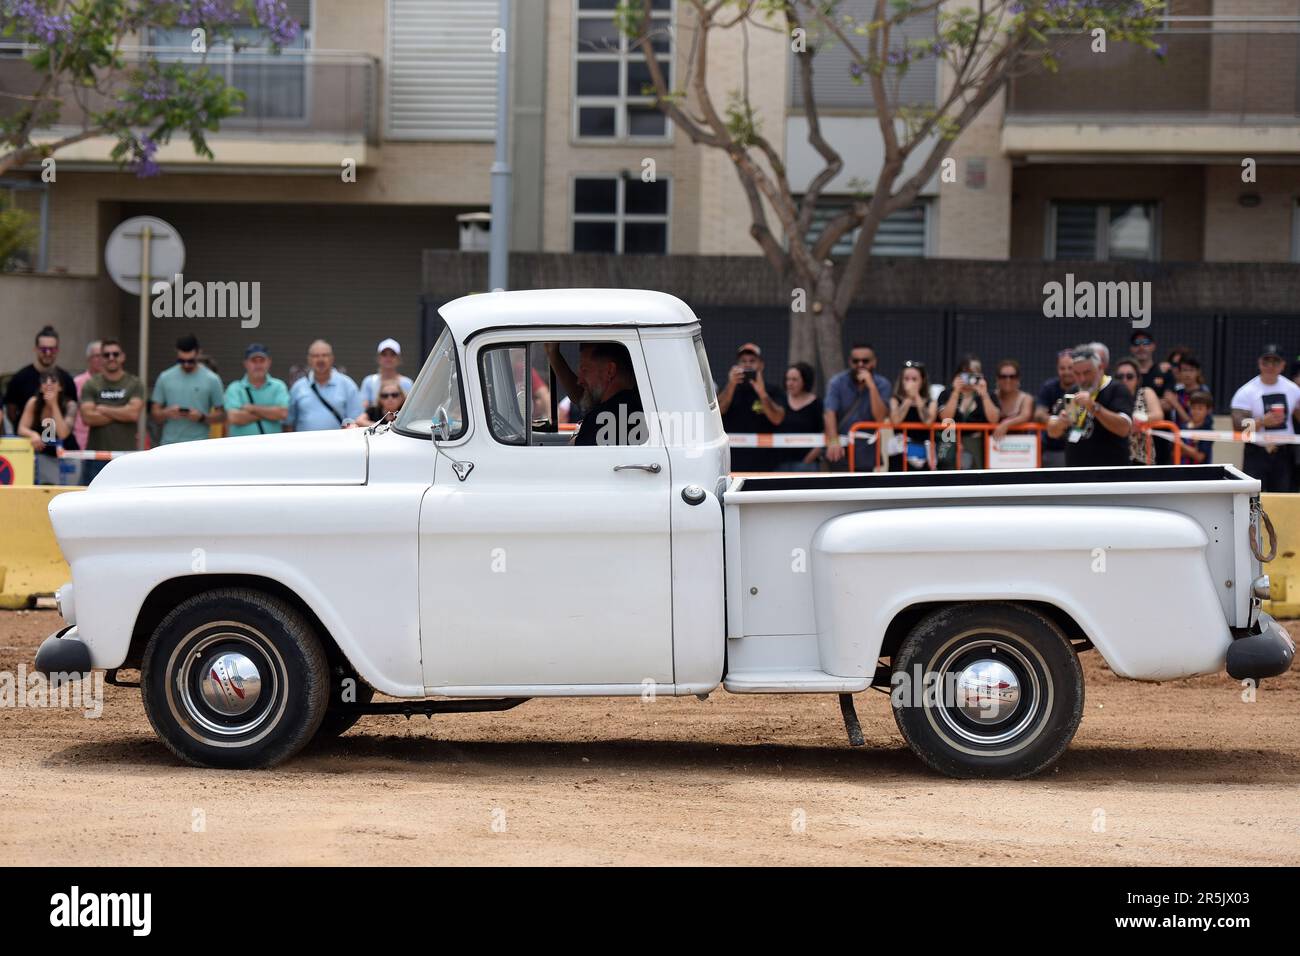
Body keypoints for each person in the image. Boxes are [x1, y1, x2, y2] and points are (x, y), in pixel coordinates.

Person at [1045, 346, 1134, 468]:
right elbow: (1051, 430)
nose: (1082, 379)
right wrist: (1061, 422)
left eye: (1087, 373)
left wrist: (1094, 407)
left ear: (1100, 368)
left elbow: (1124, 428)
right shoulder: (1073, 391)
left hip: (1111, 471)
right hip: (1076, 471)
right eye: (1076, 373)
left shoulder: (1117, 389)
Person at [544, 341, 643, 446]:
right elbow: (582, 398)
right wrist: (553, 353)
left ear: (610, 371)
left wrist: (576, 437)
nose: (579, 380)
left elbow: (573, 459)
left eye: (585, 370)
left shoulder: (602, 419)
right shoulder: (640, 406)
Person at [1230, 343, 1300, 492]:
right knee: (1253, 497)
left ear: (1283, 365)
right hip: (1256, 451)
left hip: (1284, 453)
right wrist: (1261, 422)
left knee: (1284, 498)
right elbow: (1237, 425)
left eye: (1275, 362)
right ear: (1259, 363)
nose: (1270, 366)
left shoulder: (1293, 389)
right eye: (1266, 362)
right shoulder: (1246, 391)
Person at [79, 339, 145, 483]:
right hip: (96, 456)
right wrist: (122, 411)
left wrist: (103, 408)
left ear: (122, 357)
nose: (111, 358)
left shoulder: (134, 383)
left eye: (115, 354)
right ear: (101, 358)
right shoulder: (91, 384)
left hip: (125, 457)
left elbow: (133, 414)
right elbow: (88, 418)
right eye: (106, 354)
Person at [823, 343, 891, 471]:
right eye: (856, 361)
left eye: (865, 361)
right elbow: (829, 412)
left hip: (867, 452)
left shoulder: (882, 384)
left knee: (864, 488)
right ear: (850, 362)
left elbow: (880, 418)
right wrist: (833, 441)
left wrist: (871, 387)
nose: (860, 365)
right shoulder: (837, 382)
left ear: (874, 362)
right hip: (841, 449)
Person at [718, 342, 785, 471]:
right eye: (743, 361)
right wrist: (731, 384)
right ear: (737, 366)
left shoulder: (772, 391)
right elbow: (718, 412)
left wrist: (761, 392)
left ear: (761, 365)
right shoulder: (728, 389)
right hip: (733, 461)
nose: (747, 364)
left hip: (765, 462)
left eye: (752, 361)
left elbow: (777, 418)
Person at [151, 334, 225, 444]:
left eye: (191, 361)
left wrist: (202, 417)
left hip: (199, 444)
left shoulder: (212, 379)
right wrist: (166, 413)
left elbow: (222, 415)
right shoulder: (165, 377)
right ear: (176, 353)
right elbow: (154, 413)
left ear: (199, 353)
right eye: (181, 361)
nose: (186, 365)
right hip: (169, 444)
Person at [3, 326, 78, 434]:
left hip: (61, 444)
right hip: (32, 443)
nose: (48, 353)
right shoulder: (21, 379)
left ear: (60, 386)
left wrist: (53, 405)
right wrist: (30, 432)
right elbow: (12, 413)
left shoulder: (67, 379)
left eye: (52, 349)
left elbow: (64, 431)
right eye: (43, 349)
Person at [937, 354, 999, 469]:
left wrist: (984, 395)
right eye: (966, 373)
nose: (970, 378)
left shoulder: (988, 395)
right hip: (951, 444)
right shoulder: (947, 393)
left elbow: (994, 419)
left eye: (974, 373)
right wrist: (956, 392)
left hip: (977, 446)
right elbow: (946, 417)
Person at [17, 372, 79, 485]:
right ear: (41, 388)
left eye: (54, 381)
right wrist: (33, 434)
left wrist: (53, 404)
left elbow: (63, 433)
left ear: (60, 387)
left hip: (67, 456)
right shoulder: (34, 403)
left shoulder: (70, 405)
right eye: (45, 381)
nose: (49, 384)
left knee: (67, 493)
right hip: (44, 457)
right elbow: (21, 428)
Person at [287, 339, 362, 431]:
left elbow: (356, 421)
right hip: (305, 444)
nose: (320, 359)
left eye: (325, 355)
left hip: (339, 443)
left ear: (332, 358)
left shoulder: (347, 385)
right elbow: (289, 423)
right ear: (309, 360)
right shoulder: (298, 387)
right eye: (315, 356)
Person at [224, 343, 290, 437]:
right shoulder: (234, 388)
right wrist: (270, 414)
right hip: (241, 448)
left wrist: (252, 408)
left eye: (262, 361)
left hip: (272, 448)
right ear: (246, 363)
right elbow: (234, 417)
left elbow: (283, 413)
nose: (258, 365)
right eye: (254, 361)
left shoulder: (279, 386)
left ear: (269, 362)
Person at [1113, 357, 1165, 465]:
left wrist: (1139, 418)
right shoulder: (1110, 396)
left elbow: (1158, 414)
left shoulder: (1145, 392)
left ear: (1137, 379)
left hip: (1141, 457)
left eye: (1130, 376)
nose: (1124, 380)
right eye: (1120, 377)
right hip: (1115, 456)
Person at [886, 360, 937, 471]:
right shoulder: (895, 400)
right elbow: (895, 421)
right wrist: (908, 399)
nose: (910, 383)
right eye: (907, 379)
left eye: (914, 379)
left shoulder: (930, 402)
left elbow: (928, 421)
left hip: (922, 453)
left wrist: (917, 397)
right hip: (900, 454)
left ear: (922, 381)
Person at [775, 362, 823, 472]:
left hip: (807, 465)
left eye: (794, 380)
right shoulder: (780, 400)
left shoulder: (816, 404)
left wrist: (808, 460)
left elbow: (824, 433)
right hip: (780, 463)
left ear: (805, 381)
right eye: (788, 379)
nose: (790, 383)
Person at [1034, 349, 1077, 468]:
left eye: (1070, 367)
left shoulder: (1083, 388)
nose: (1066, 372)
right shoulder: (1049, 387)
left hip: (1080, 446)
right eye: (1062, 368)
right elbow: (1038, 414)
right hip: (1055, 448)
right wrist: (1057, 422)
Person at [358, 338, 414, 409]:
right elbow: (363, 408)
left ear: (398, 359)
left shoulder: (407, 383)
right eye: (384, 354)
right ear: (378, 358)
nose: (388, 358)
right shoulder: (369, 382)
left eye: (392, 354)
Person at [991, 358, 1034, 446]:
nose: (1008, 380)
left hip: (1020, 448)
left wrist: (1005, 424)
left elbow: (1025, 416)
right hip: (993, 448)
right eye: (1003, 376)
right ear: (997, 379)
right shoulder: (991, 396)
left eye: (1012, 376)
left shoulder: (1026, 398)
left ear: (1018, 379)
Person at [72, 339, 103, 452]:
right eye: (97, 356)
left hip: (107, 442)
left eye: (103, 355)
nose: (101, 359)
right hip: (82, 442)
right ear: (88, 359)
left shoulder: (113, 383)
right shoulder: (77, 382)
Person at [1177, 391, 1215, 465]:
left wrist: (1181, 445)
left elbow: (1199, 457)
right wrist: (1192, 451)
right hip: (1181, 471)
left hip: (1201, 473)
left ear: (1208, 410)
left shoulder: (1208, 431)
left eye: (1200, 408)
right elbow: (1174, 453)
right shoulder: (1182, 427)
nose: (1196, 411)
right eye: (1193, 408)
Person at [1129, 331, 1171, 398]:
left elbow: (1169, 402)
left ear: (1153, 346)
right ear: (1131, 348)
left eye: (1146, 342)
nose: (1141, 347)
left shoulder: (1164, 372)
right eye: (1136, 343)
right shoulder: (1125, 375)